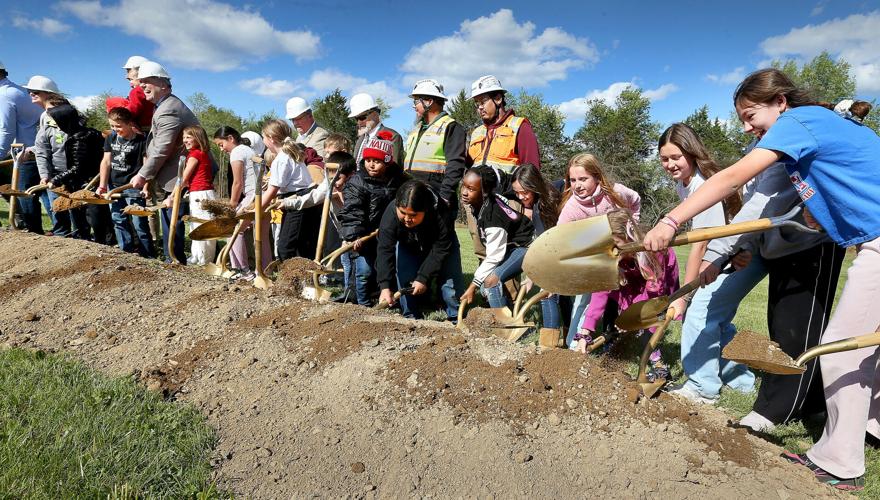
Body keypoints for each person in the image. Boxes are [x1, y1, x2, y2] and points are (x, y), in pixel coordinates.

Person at [642, 68, 880, 491]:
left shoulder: (798, 122)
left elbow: (732, 177)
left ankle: (840, 463)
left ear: (780, 102)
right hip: (870, 243)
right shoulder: (821, 125)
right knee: (867, 345)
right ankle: (872, 428)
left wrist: (671, 220)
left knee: (841, 352)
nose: (746, 127)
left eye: (750, 115)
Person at [655, 123, 754, 404]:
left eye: (676, 157)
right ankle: (741, 381)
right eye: (664, 159)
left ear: (691, 153)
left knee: (699, 313)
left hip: (737, 255)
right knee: (716, 318)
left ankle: (702, 387)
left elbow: (701, 243)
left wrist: (684, 295)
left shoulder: (701, 184)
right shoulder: (683, 184)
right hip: (726, 253)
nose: (670, 165)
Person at [576, 209, 679, 382]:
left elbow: (654, 295)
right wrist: (585, 332)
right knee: (628, 320)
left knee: (648, 324)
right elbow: (600, 292)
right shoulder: (612, 254)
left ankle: (660, 366)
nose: (610, 249)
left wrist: (635, 316)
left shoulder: (652, 250)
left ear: (628, 237)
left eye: (615, 243)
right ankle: (621, 346)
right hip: (631, 279)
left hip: (656, 282)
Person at [558, 153, 641, 347]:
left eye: (583, 179)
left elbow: (635, 201)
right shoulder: (572, 208)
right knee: (584, 299)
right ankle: (574, 345)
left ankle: (614, 338)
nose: (577, 185)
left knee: (619, 296)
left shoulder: (615, 192)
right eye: (572, 180)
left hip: (620, 251)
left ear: (596, 177)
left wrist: (632, 230)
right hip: (592, 255)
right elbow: (559, 240)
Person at [129, 61, 200, 264]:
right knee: (169, 218)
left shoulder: (169, 109)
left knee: (173, 219)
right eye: (141, 82)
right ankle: (173, 259)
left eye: (147, 81)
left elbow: (163, 147)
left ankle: (175, 262)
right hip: (173, 173)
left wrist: (143, 174)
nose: (142, 85)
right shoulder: (164, 105)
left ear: (163, 84)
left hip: (183, 173)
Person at [338, 130, 408, 306]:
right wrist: (354, 236)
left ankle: (387, 298)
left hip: (388, 234)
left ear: (387, 162)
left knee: (388, 267)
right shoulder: (357, 181)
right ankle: (362, 304)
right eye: (368, 160)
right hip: (365, 236)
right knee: (364, 271)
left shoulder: (397, 180)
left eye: (377, 161)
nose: (371, 165)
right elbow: (352, 211)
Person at [376, 179, 460, 319]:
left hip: (441, 244)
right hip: (408, 243)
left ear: (425, 210)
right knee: (405, 276)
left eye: (413, 215)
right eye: (403, 212)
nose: (407, 219)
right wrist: (384, 287)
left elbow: (441, 249)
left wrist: (423, 277)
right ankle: (410, 317)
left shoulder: (441, 212)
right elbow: (384, 250)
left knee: (450, 286)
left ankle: (455, 317)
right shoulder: (391, 213)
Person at [459, 165, 533, 309]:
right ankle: (508, 314)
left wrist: (472, 286)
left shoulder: (493, 216)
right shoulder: (486, 202)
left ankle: (503, 321)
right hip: (513, 247)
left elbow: (494, 256)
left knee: (491, 282)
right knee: (485, 286)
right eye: (464, 186)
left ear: (485, 191)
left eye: (471, 189)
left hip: (528, 247)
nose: (464, 192)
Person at [510, 164, 563, 349]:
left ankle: (550, 344)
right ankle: (561, 337)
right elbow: (542, 242)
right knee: (554, 293)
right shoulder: (541, 199)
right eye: (517, 192)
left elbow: (550, 243)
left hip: (562, 251)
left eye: (524, 192)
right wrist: (532, 274)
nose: (520, 197)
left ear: (534, 186)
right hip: (554, 249)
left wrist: (540, 276)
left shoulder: (543, 207)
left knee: (548, 293)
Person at [46, 103, 113, 244]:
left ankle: (101, 244)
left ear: (64, 120)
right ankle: (91, 242)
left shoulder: (80, 139)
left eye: (56, 121)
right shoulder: (86, 133)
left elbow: (78, 167)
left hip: (88, 183)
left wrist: (56, 180)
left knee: (94, 218)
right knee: (89, 218)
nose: (55, 125)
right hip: (84, 182)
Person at [260, 119, 320, 261]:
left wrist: (257, 209)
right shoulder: (290, 154)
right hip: (302, 201)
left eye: (263, 137)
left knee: (286, 248)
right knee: (302, 247)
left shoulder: (282, 159)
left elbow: (272, 190)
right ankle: (303, 274)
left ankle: (292, 274)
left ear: (271, 138)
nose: (263, 141)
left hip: (297, 202)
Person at [97, 107, 153, 257]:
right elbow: (106, 162)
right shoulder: (111, 138)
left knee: (139, 223)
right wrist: (102, 186)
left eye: (118, 126)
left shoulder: (141, 141)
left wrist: (146, 187)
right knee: (118, 220)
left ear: (130, 123)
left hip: (133, 187)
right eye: (112, 126)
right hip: (114, 186)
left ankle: (148, 255)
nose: (115, 129)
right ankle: (125, 253)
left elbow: (147, 166)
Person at [212, 126, 267, 278]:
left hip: (253, 194)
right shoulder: (248, 150)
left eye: (221, 144)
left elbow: (237, 183)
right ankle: (264, 271)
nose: (221, 149)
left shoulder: (237, 152)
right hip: (263, 195)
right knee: (261, 234)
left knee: (233, 228)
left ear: (230, 138)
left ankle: (243, 271)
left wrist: (233, 204)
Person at [0, 62, 43, 232]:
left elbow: (6, 131)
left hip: (25, 153)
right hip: (29, 149)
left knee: (25, 193)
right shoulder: (16, 91)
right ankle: (22, 222)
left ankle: (32, 231)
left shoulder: (5, 94)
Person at [467, 75, 541, 172]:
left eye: (483, 101)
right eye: (477, 103)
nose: (480, 107)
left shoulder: (520, 127)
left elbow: (532, 172)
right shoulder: (476, 133)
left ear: (498, 99)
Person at [27, 76, 68, 236]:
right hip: (55, 169)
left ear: (49, 93)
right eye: (30, 91)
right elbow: (46, 142)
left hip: (63, 170)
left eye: (35, 91)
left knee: (63, 208)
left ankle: (65, 236)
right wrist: (33, 149)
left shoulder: (55, 114)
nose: (31, 94)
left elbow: (58, 143)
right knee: (57, 206)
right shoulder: (45, 114)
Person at [179, 125, 216, 265]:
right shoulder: (200, 153)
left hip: (201, 194)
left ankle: (204, 260)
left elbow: (183, 179)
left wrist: (172, 196)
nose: (185, 140)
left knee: (202, 226)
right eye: (184, 137)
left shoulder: (195, 155)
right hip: (198, 193)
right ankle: (196, 257)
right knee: (195, 225)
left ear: (198, 138)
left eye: (188, 137)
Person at [350, 92, 404, 164]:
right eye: (356, 119)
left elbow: (394, 168)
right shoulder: (361, 139)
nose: (359, 122)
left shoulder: (392, 137)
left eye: (362, 117)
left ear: (375, 114)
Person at [105, 56, 154, 133]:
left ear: (141, 72)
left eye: (128, 70)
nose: (126, 76)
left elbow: (131, 112)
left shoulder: (137, 91)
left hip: (143, 131)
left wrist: (114, 114)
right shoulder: (155, 89)